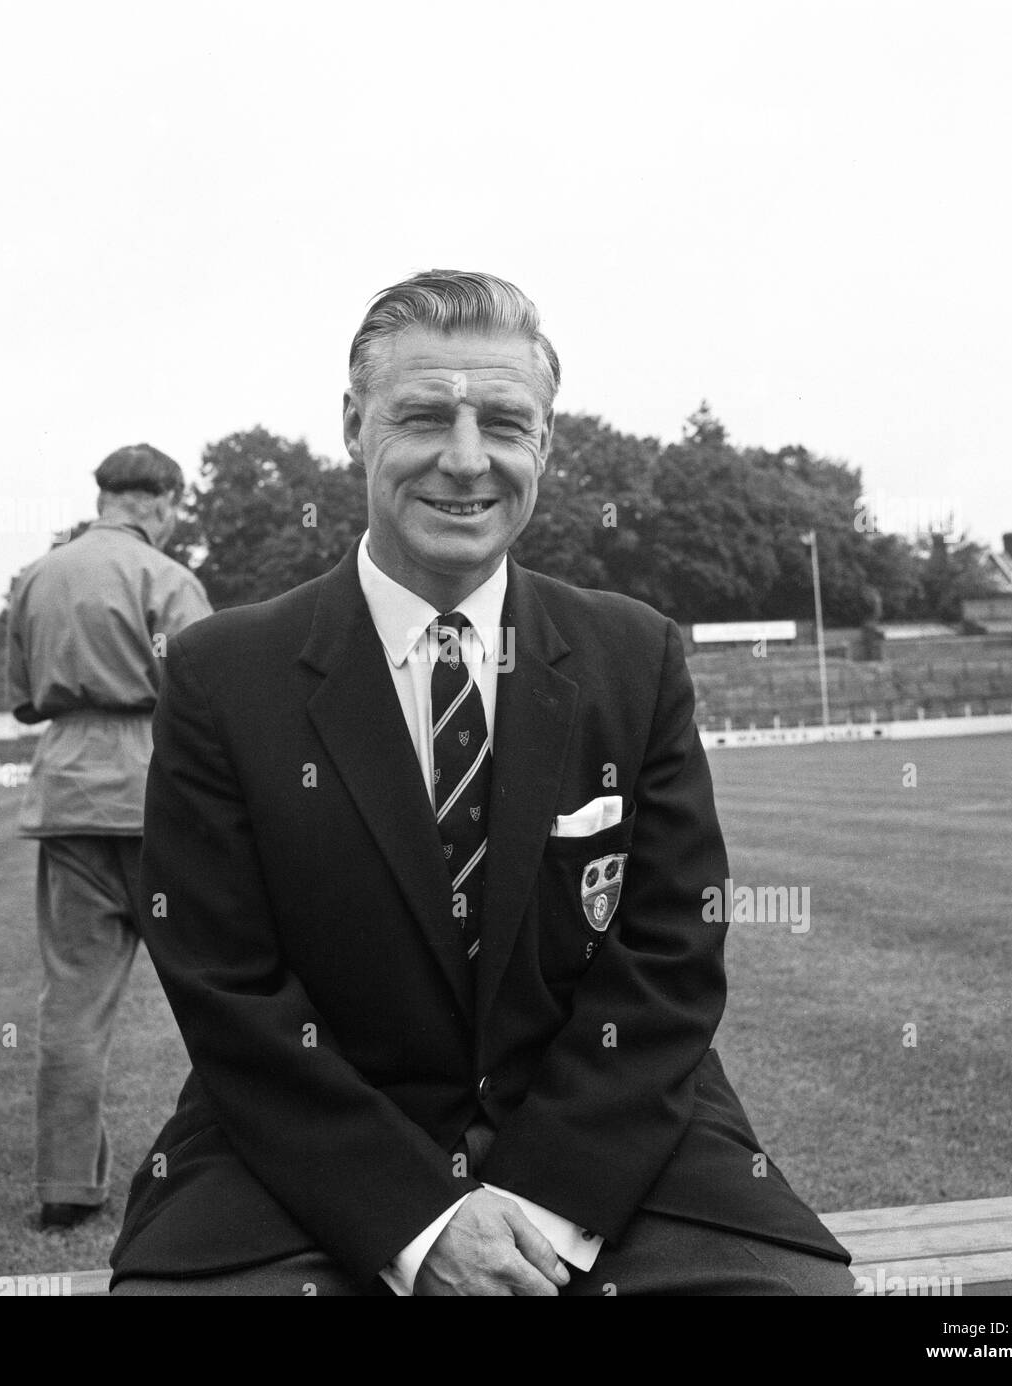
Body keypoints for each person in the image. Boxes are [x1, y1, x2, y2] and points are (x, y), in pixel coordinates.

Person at [109, 272, 854, 1294]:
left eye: (503, 421)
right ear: (353, 426)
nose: (466, 459)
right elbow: (227, 991)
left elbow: (670, 953)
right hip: (306, 1146)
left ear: (544, 442)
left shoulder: (633, 657)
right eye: (423, 416)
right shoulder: (221, 676)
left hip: (605, 1137)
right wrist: (419, 1224)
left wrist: (540, 1206)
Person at [7, 444, 212, 1232]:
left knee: (72, 1008)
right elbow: (207, 698)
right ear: (160, 501)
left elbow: (26, 702)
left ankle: (65, 1187)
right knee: (218, 992)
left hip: (67, 793)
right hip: (160, 795)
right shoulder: (167, 579)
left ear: (104, 496)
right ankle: (244, 1162)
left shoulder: (38, 576)